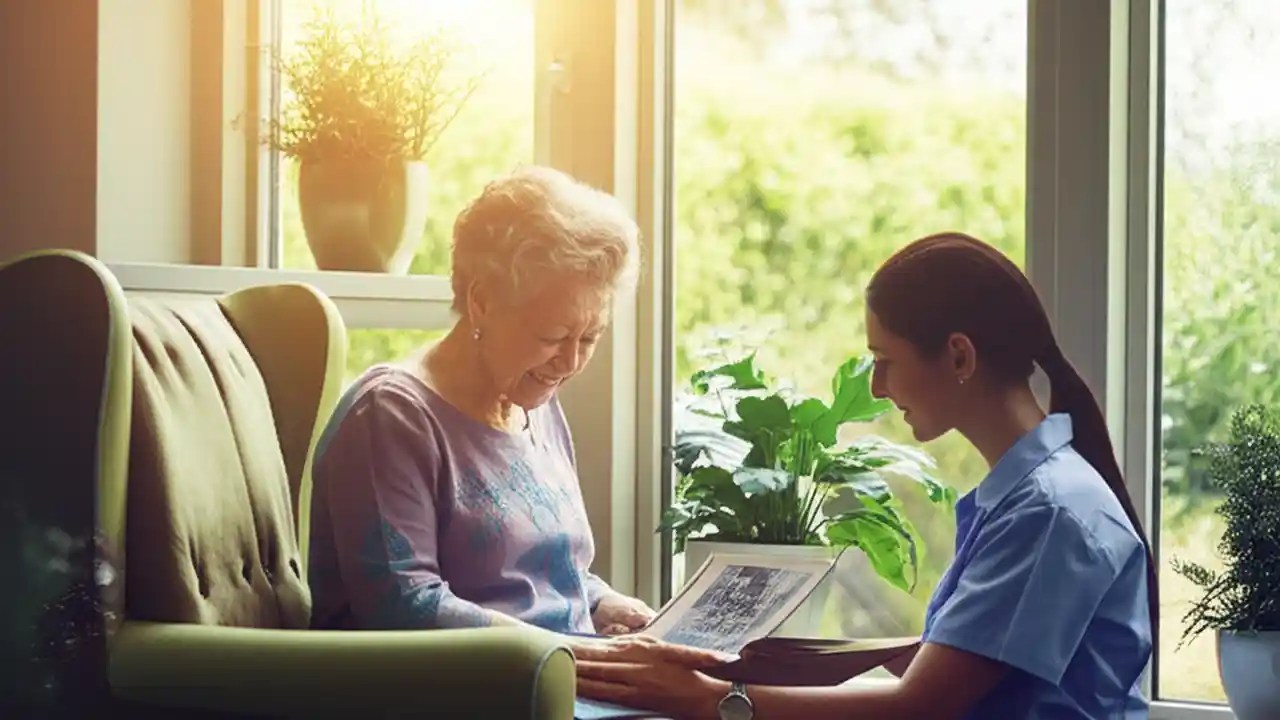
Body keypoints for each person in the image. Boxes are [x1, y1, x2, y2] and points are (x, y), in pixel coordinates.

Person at [575, 232, 1156, 719]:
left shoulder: (1048, 512)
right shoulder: (1030, 496)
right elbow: (966, 670)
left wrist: (715, 701)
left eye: (885, 362)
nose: (877, 388)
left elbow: (920, 705)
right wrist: (754, 663)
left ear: (959, 357)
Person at [307, 166, 656, 636]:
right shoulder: (390, 416)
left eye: (590, 337)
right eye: (552, 335)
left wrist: (605, 604)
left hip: (565, 678)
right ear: (483, 302)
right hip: (464, 690)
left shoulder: (535, 401)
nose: (570, 361)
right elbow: (404, 607)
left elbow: (544, 575)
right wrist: (587, 658)